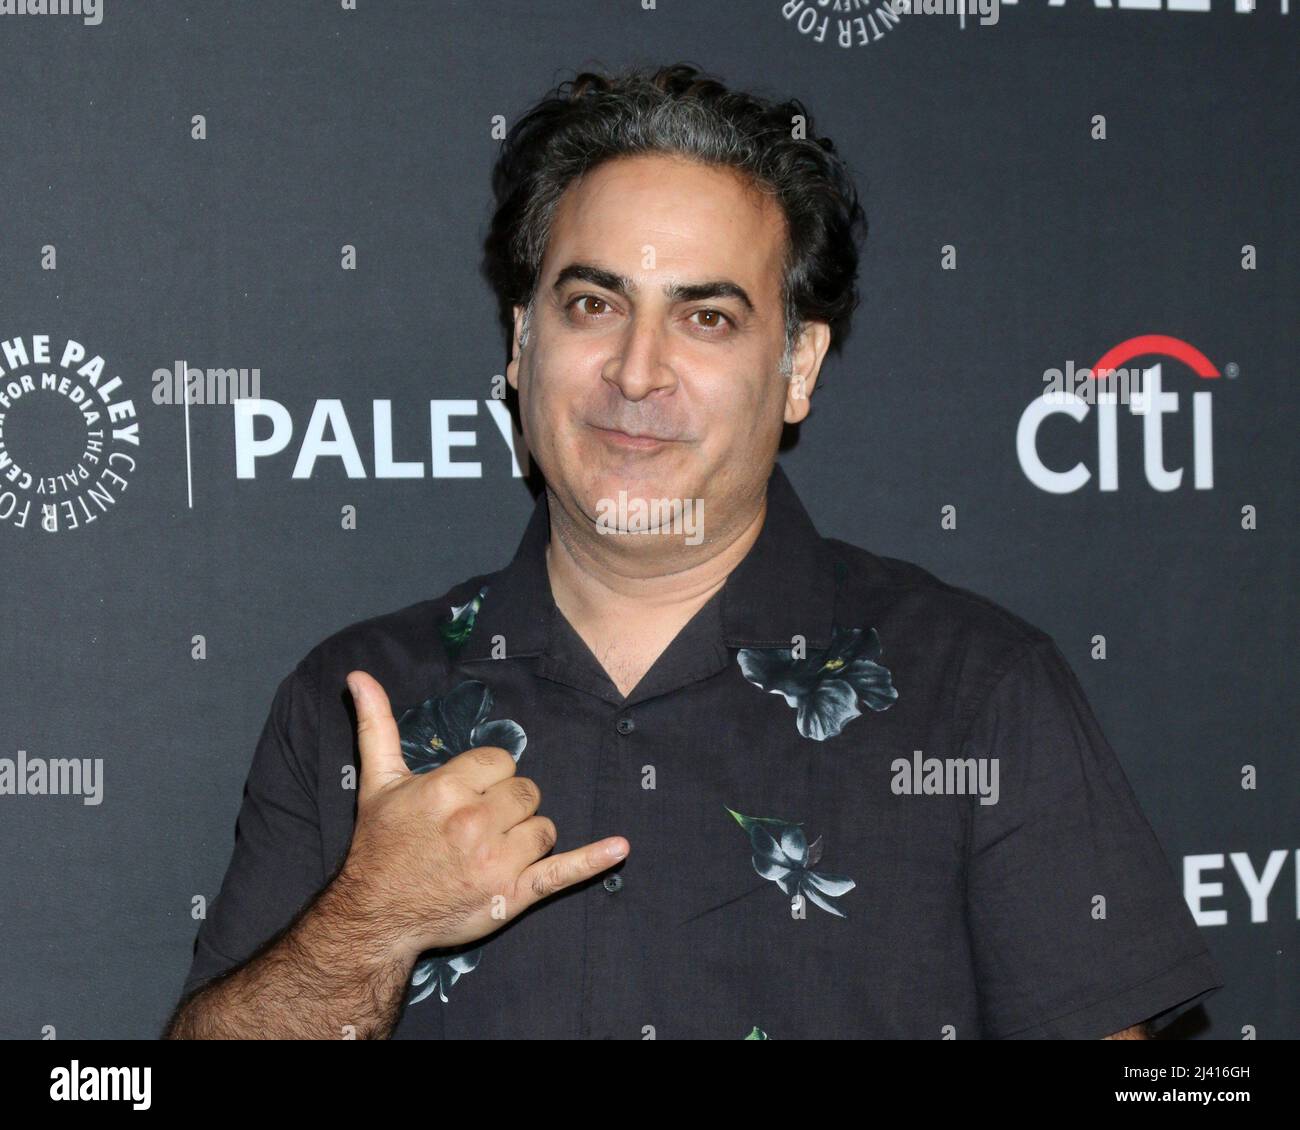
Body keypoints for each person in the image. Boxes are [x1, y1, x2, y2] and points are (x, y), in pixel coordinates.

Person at [163, 63, 1222, 1040]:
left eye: (706, 317)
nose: (636, 371)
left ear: (797, 366)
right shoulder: (358, 703)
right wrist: (371, 921)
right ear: (521, 346)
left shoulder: (980, 690)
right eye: (592, 304)